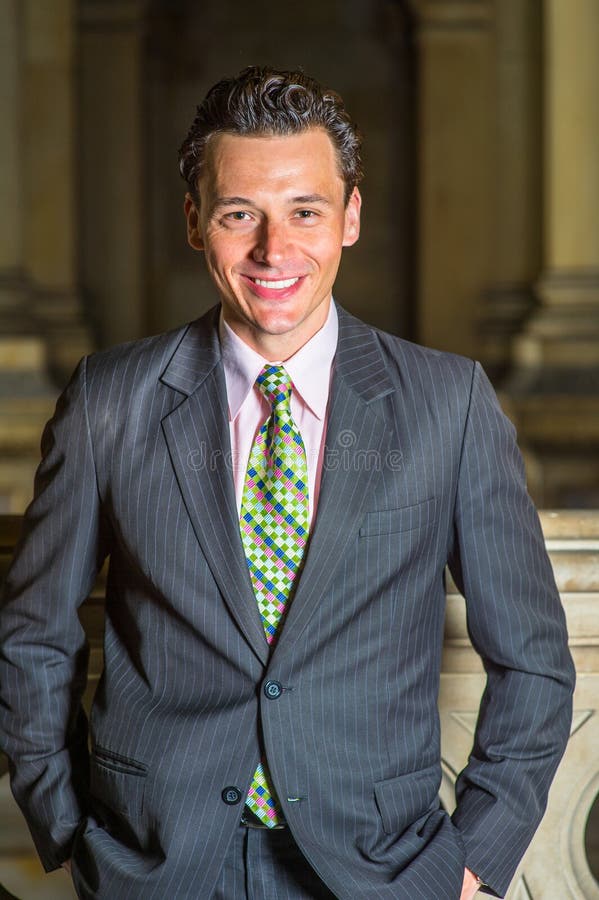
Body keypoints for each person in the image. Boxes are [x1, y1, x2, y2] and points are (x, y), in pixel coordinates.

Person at [0, 66, 575, 900]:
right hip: (155, 867)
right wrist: (69, 834)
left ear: (349, 218)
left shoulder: (447, 403)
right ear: (196, 221)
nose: (274, 250)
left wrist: (474, 858)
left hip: (382, 869)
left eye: (304, 211)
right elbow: (33, 637)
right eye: (241, 214)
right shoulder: (108, 400)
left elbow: (532, 660)